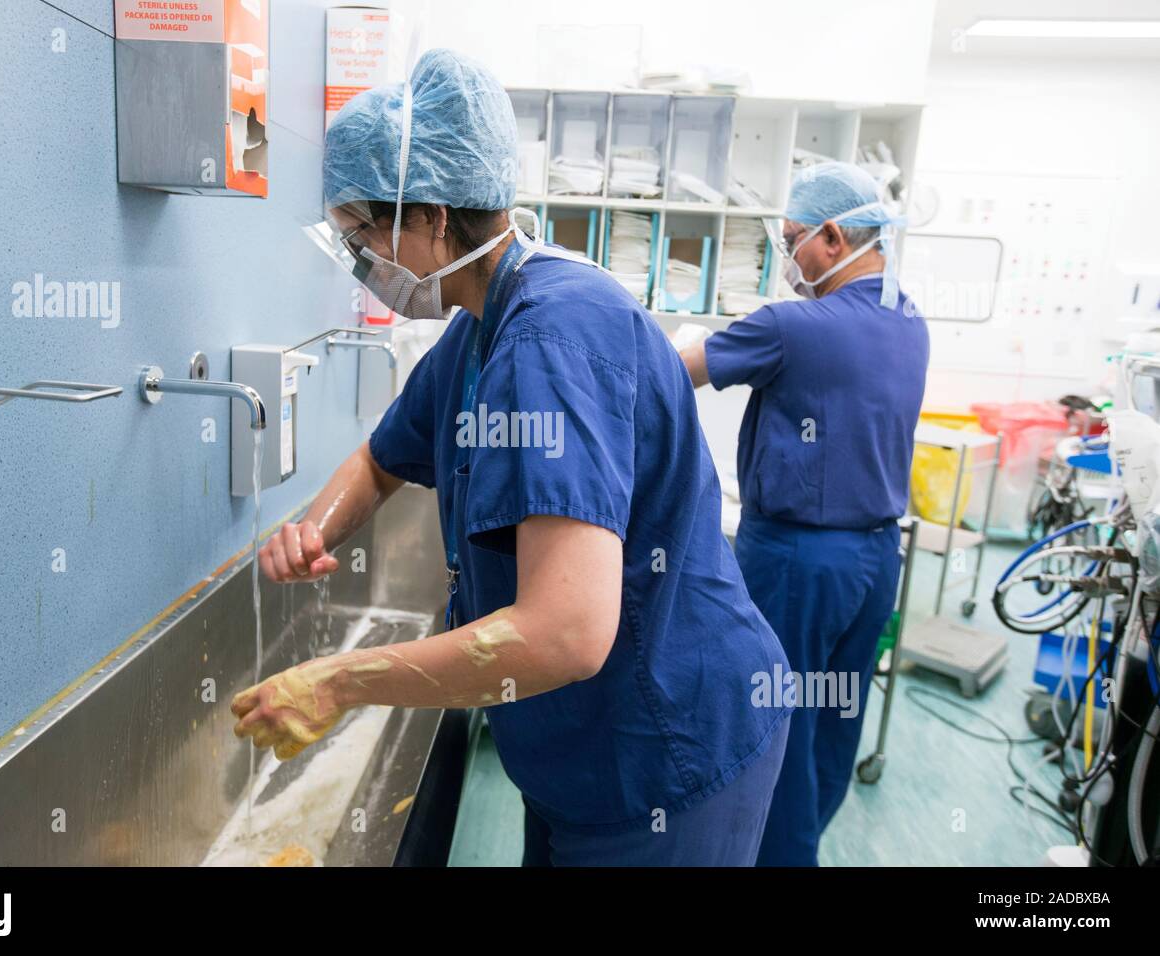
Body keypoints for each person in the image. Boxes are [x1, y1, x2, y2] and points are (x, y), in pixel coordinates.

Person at [230, 49, 791, 866]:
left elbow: (565, 635)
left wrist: (339, 681)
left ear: (429, 216)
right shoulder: (476, 327)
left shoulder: (552, 341)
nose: (362, 267)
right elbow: (385, 458)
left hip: (664, 757)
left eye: (362, 238)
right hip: (581, 753)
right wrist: (317, 530)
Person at [680, 162, 929, 866]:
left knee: (775, 728)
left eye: (791, 241)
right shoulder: (909, 321)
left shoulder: (793, 326)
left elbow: (680, 371)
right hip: (876, 561)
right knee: (832, 724)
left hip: (798, 562)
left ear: (831, 236)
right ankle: (803, 847)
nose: (787, 260)